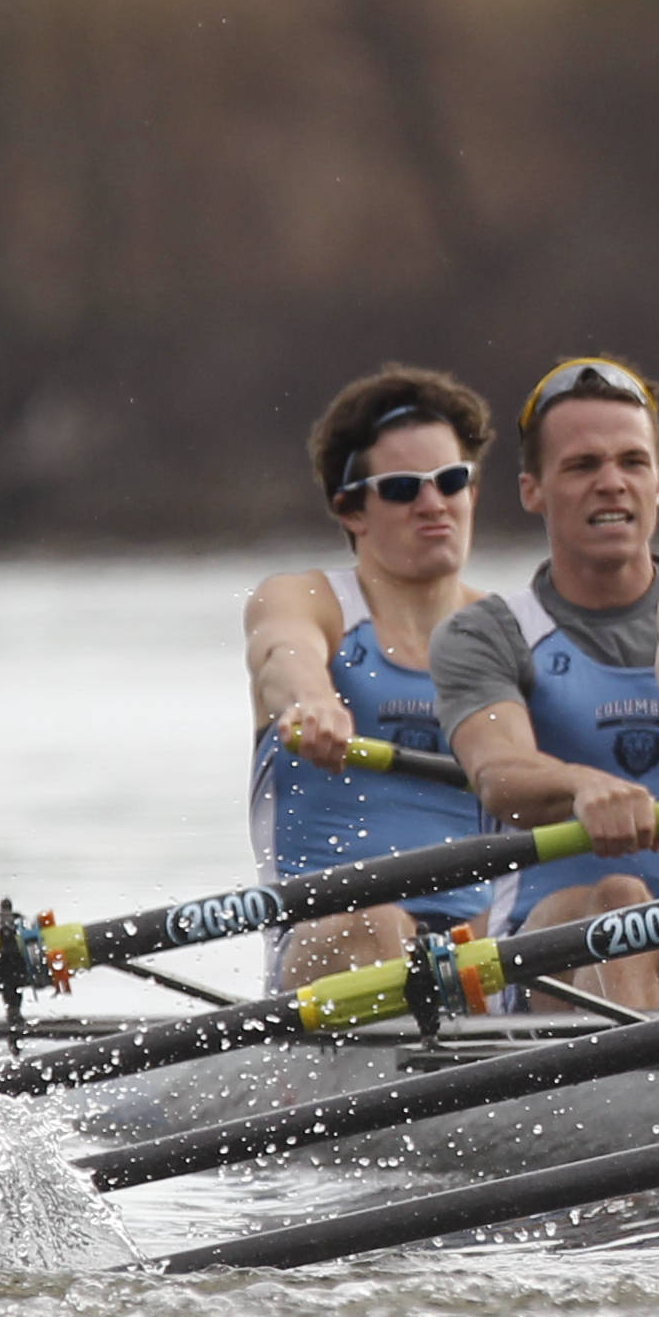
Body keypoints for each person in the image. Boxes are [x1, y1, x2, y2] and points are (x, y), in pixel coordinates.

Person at [430, 355, 659, 1013]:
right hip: (547, 945)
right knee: (622, 903)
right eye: (583, 467)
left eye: (632, 464)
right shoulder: (487, 633)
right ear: (532, 491)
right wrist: (582, 785)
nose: (613, 484)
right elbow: (500, 773)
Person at [240, 364, 502, 990]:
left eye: (451, 480)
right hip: (331, 936)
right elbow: (284, 653)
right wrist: (314, 703)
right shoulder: (308, 600)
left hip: (477, 944)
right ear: (351, 509)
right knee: (377, 921)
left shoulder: (509, 633)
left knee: (601, 905)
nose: (434, 504)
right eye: (404, 488)